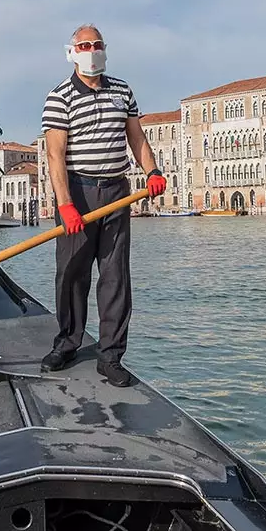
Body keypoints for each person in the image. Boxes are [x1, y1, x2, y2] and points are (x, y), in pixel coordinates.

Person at [39, 24, 166, 387]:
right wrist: (65, 205)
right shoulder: (59, 96)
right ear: (72, 52)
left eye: (96, 44)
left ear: (104, 49)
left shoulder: (122, 91)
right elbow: (54, 154)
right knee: (71, 274)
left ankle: (110, 356)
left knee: (115, 277)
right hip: (77, 191)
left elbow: (136, 137)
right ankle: (67, 343)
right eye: (84, 45)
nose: (91, 50)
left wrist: (152, 170)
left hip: (117, 193)